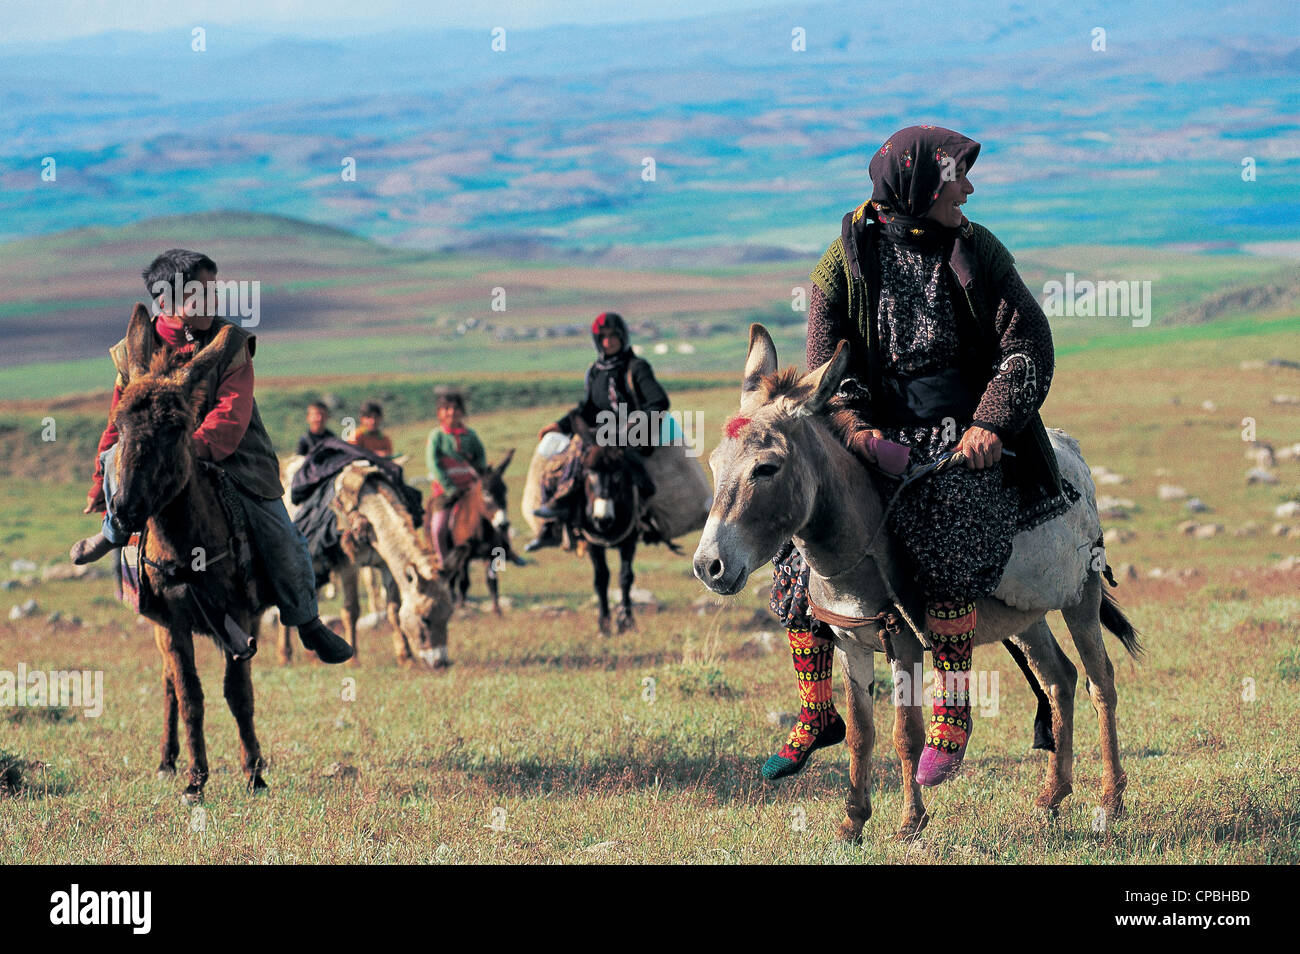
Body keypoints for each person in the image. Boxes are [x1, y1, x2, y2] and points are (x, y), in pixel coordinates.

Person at [763, 126, 1072, 785]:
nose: (968, 187)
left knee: (946, 534)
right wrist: (860, 432)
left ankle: (952, 716)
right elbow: (827, 367)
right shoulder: (841, 261)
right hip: (869, 433)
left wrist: (991, 423)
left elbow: (1028, 345)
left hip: (963, 437)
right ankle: (818, 710)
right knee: (799, 548)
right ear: (917, 188)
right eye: (955, 177)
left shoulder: (976, 250)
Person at [69, 248, 355, 664]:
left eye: (213, 291)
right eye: (199, 295)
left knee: (283, 533)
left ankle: (306, 620)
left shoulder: (231, 344)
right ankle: (112, 535)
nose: (212, 302)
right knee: (119, 465)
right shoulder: (135, 350)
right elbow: (119, 417)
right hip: (153, 459)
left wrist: (192, 450)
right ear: (165, 303)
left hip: (231, 456)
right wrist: (101, 480)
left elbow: (231, 413)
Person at [525, 312, 665, 552]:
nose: (608, 342)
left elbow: (658, 402)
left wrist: (632, 425)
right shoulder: (596, 372)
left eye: (613, 337)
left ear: (623, 338)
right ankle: (552, 527)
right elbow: (589, 408)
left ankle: (562, 502)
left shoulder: (637, 368)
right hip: (602, 435)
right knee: (558, 460)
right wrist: (560, 425)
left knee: (581, 446)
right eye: (603, 338)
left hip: (634, 438)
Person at [425, 390, 484, 565]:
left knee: (495, 518)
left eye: (456, 408)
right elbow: (433, 464)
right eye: (446, 408)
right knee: (439, 528)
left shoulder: (470, 435)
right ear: (439, 413)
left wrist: (477, 479)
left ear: (462, 411)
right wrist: (450, 488)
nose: (451, 412)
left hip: (470, 489)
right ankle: (444, 564)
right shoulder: (437, 436)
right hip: (445, 493)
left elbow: (480, 457)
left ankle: (506, 550)